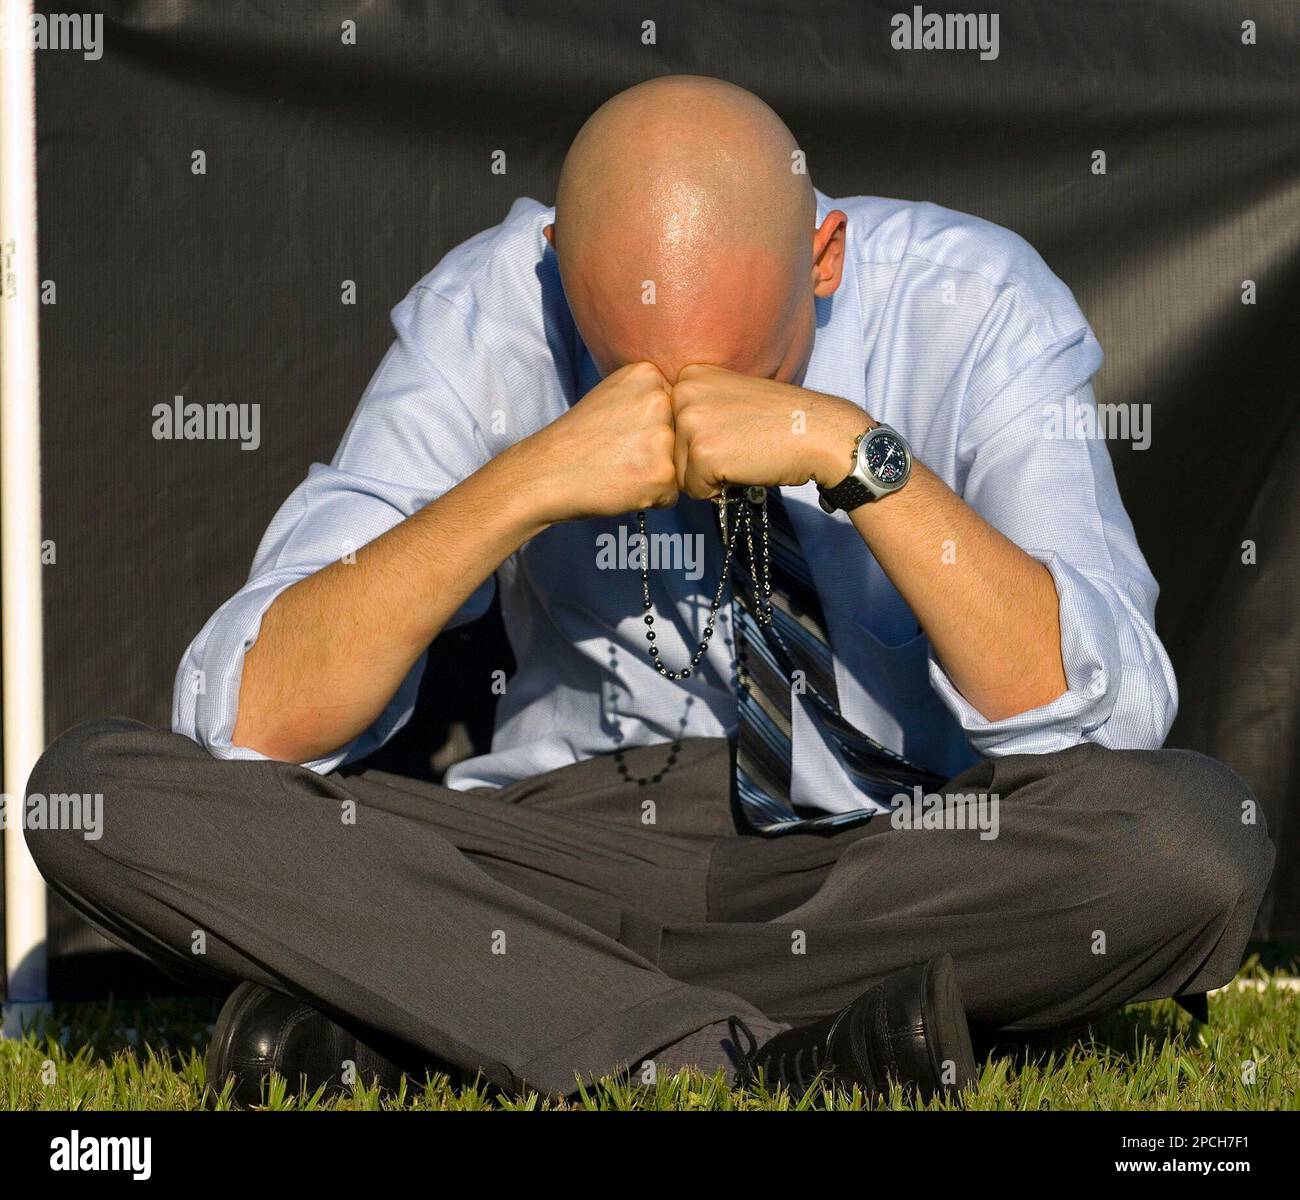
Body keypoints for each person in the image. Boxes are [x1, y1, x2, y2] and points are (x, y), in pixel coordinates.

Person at [27, 76, 1273, 1105]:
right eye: (631, 373)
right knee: (94, 795)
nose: (688, 424)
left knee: (1185, 844)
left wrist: (850, 452)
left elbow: (1102, 719)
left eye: (742, 371)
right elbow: (245, 721)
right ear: (564, 266)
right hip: (559, 852)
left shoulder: (975, 301)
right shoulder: (496, 307)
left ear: (824, 256)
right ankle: (747, 1049)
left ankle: (456, 1016)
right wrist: (522, 483)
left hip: (885, 855)